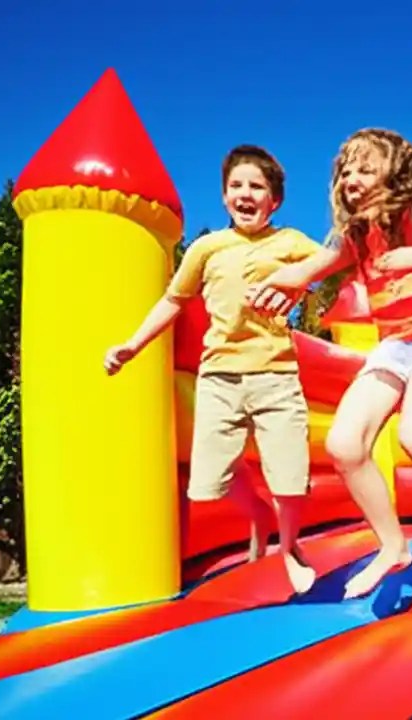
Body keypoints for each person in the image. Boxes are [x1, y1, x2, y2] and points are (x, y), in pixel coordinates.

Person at [247, 128, 412, 606]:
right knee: (345, 445)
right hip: (395, 347)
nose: (352, 179)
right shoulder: (359, 235)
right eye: (346, 171)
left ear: (396, 175)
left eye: (366, 169)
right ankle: (393, 544)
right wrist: (285, 280)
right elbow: (318, 264)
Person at [104, 144, 318, 593]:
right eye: (236, 186)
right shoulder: (208, 247)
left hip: (276, 374)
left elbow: (328, 263)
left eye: (256, 187)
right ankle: (258, 513)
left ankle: (290, 545)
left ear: (273, 200)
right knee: (206, 486)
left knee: (293, 481)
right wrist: (133, 344)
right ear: (224, 197)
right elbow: (173, 300)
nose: (246, 194)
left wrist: (297, 285)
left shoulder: (290, 242)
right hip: (220, 377)